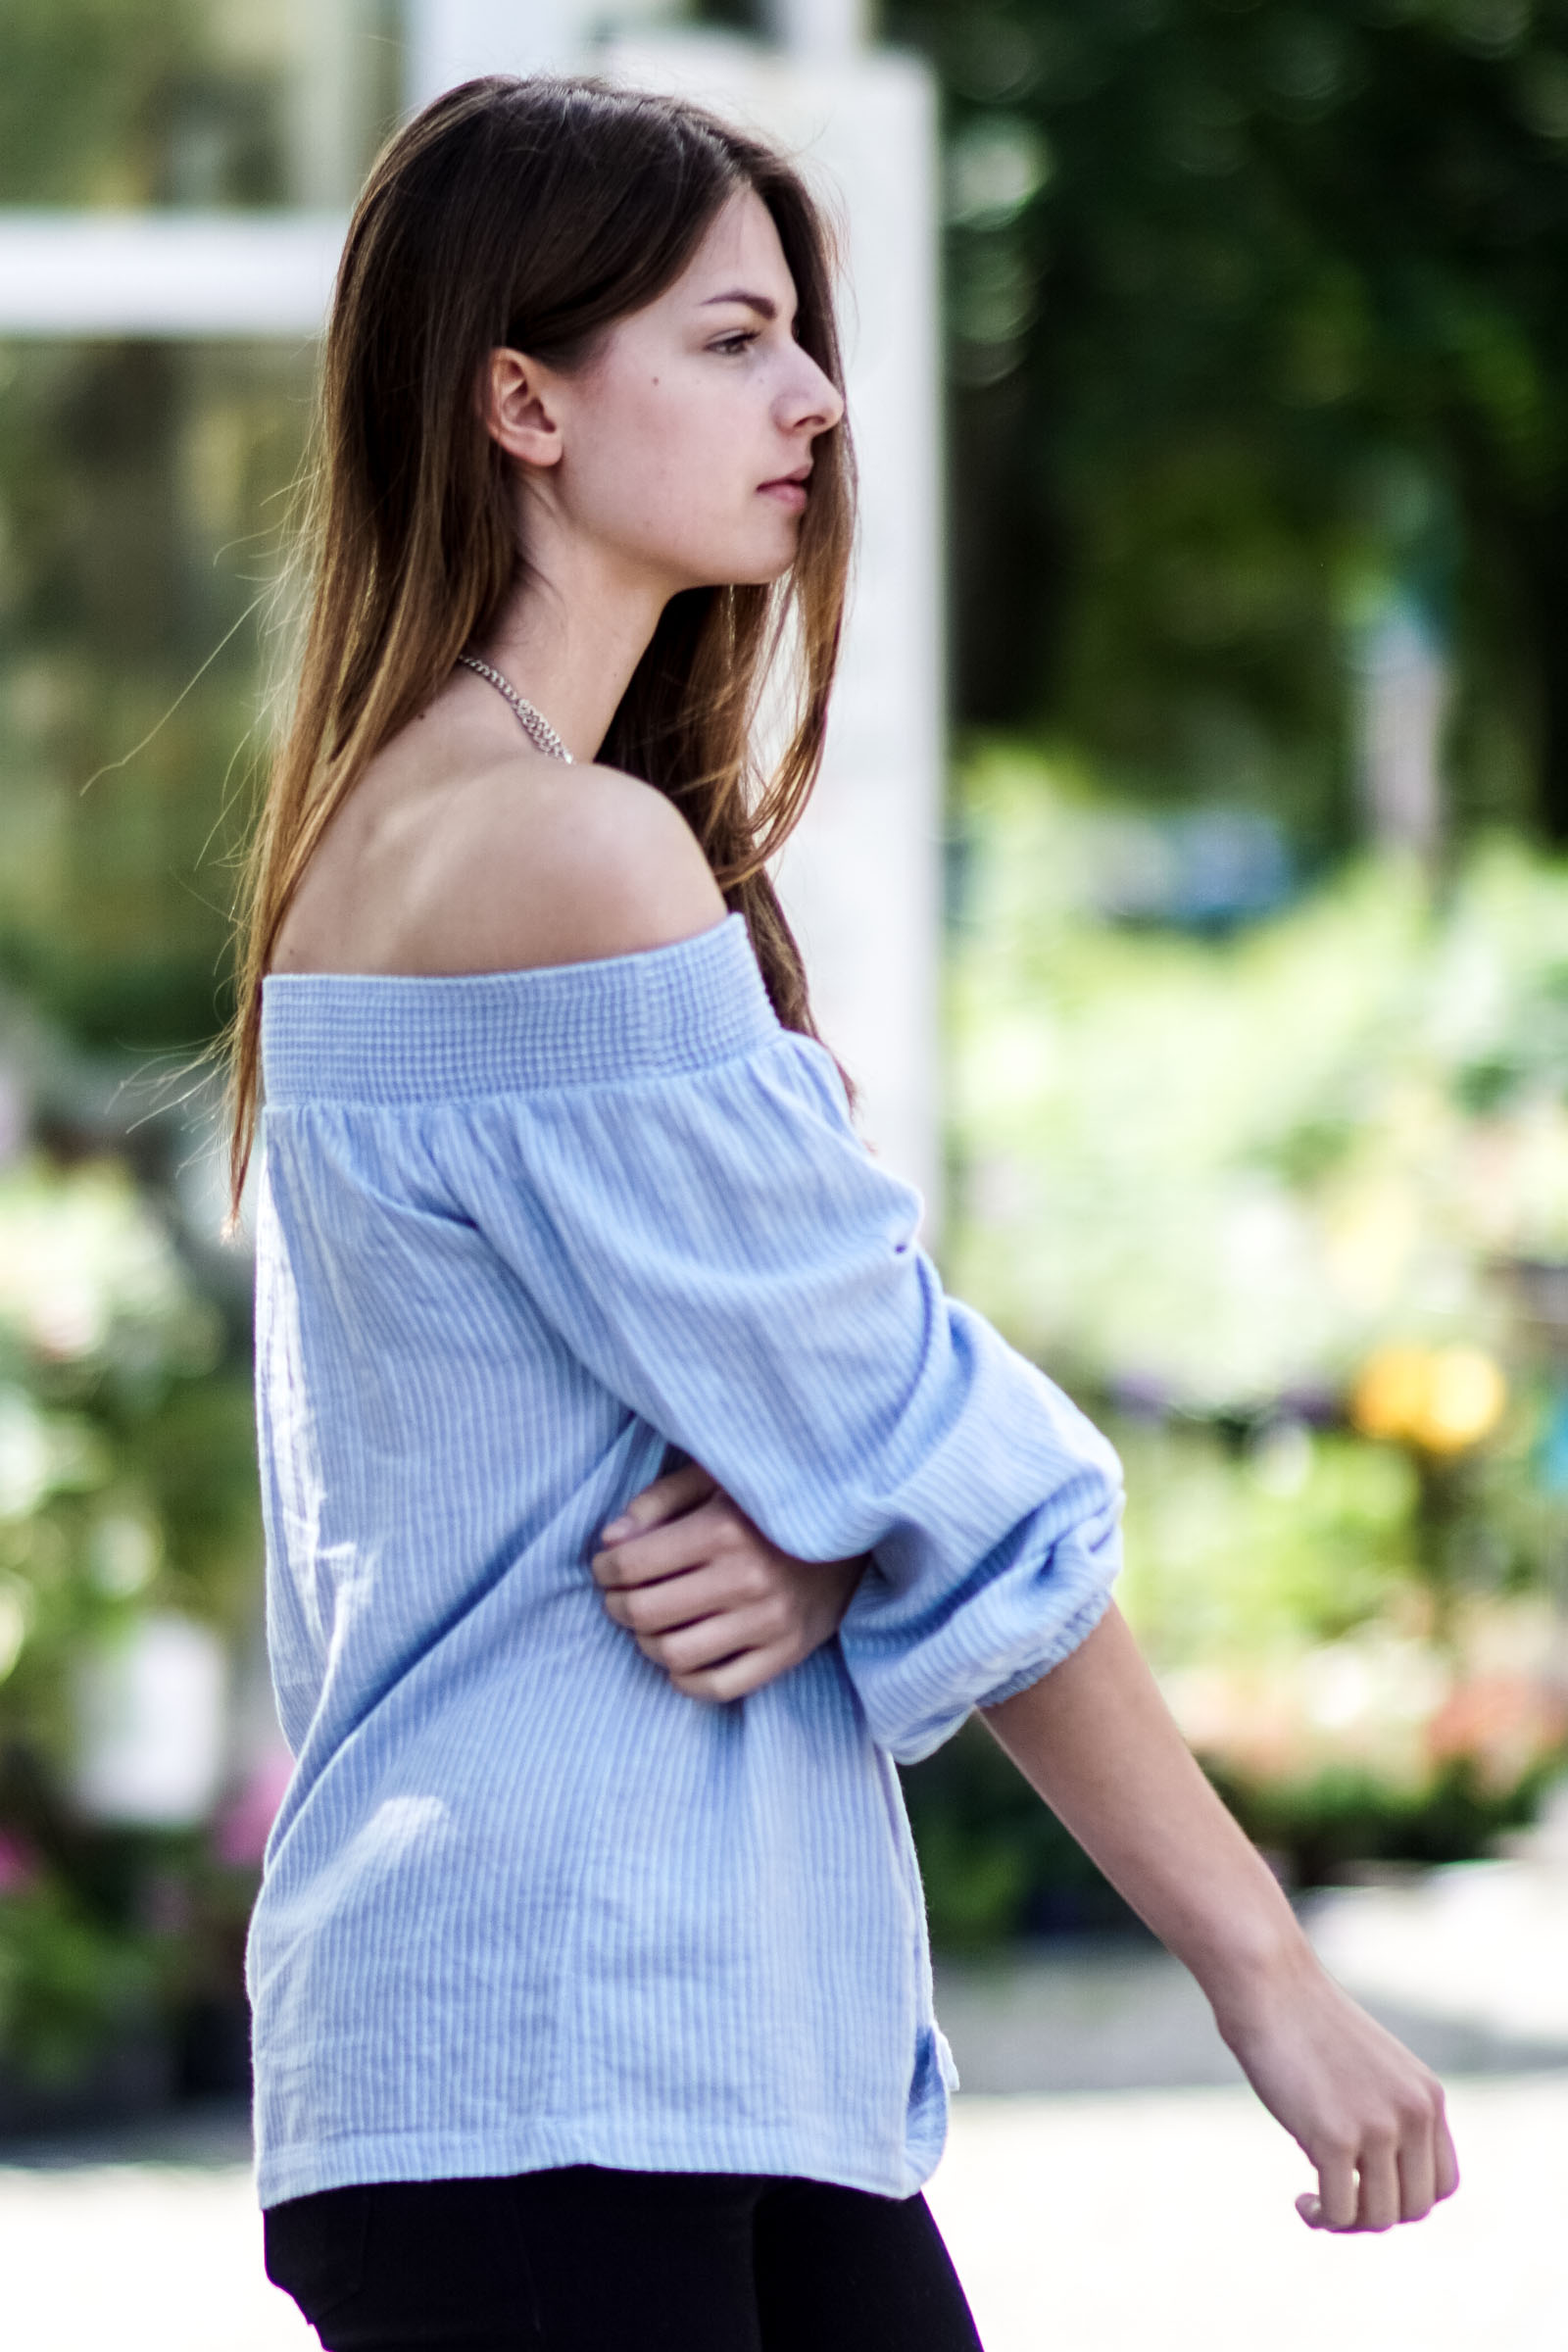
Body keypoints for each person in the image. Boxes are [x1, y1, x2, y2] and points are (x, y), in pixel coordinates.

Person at [229, 73, 1458, 2352]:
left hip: (601, 2056)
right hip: (562, 2063)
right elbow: (911, 1429)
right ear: (522, 399)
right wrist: (1265, 1975)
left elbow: (783, 1426)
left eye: (798, 334)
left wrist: (821, 1525)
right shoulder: (557, 862)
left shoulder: (434, 834)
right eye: (726, 339)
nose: (812, 397)